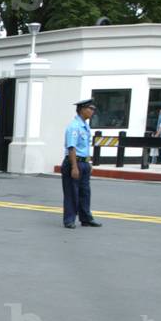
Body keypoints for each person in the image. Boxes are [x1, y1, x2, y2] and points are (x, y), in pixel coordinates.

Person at [61, 98, 102, 229]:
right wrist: (74, 167)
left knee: (85, 192)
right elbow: (71, 147)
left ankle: (86, 218)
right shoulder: (74, 126)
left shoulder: (85, 126)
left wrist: (88, 163)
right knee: (72, 192)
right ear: (82, 110)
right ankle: (69, 219)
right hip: (74, 162)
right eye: (91, 109)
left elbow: (84, 148)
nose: (93, 111)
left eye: (93, 109)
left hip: (83, 162)